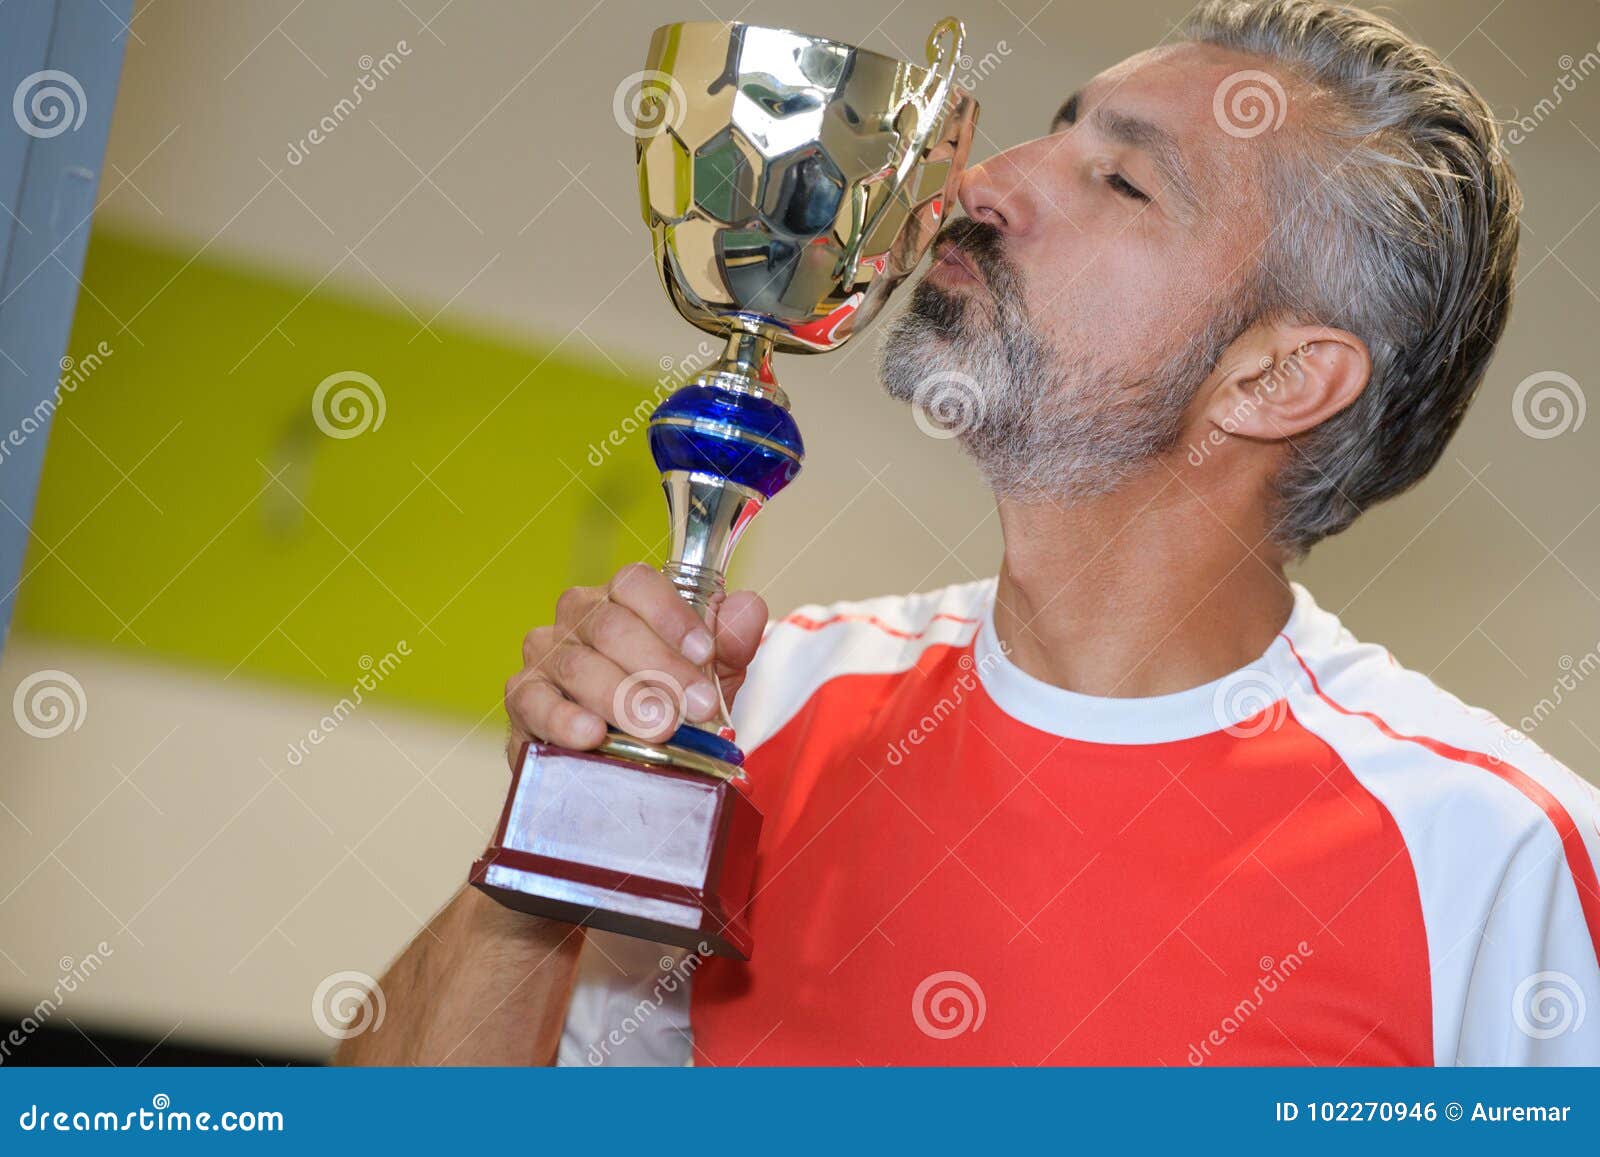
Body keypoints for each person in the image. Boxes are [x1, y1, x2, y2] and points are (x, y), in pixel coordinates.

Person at [338, 0, 1600, 1066]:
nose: (979, 185)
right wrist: (541, 871)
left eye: (1119, 177)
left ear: (1275, 380)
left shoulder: (1492, 861)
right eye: (1053, 132)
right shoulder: (758, 712)